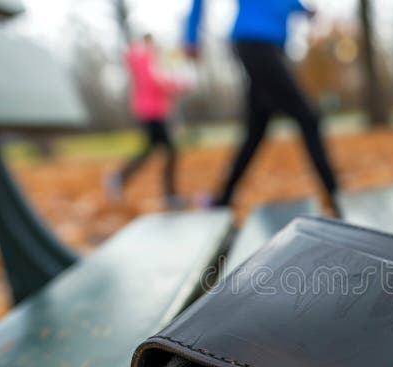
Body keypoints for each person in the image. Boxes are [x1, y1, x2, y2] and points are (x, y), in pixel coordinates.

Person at [185, 0, 341, 213]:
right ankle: (336, 194)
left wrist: (305, 11)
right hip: (254, 44)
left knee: (256, 131)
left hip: (273, 48)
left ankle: (223, 199)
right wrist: (190, 36)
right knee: (308, 118)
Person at [106, 34, 187, 210]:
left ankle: (120, 177)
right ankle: (169, 195)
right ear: (146, 43)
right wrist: (177, 86)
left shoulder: (152, 61)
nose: (154, 46)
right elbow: (155, 83)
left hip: (154, 111)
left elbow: (159, 82)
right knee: (170, 151)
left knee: (152, 150)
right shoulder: (145, 60)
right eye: (151, 42)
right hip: (150, 112)